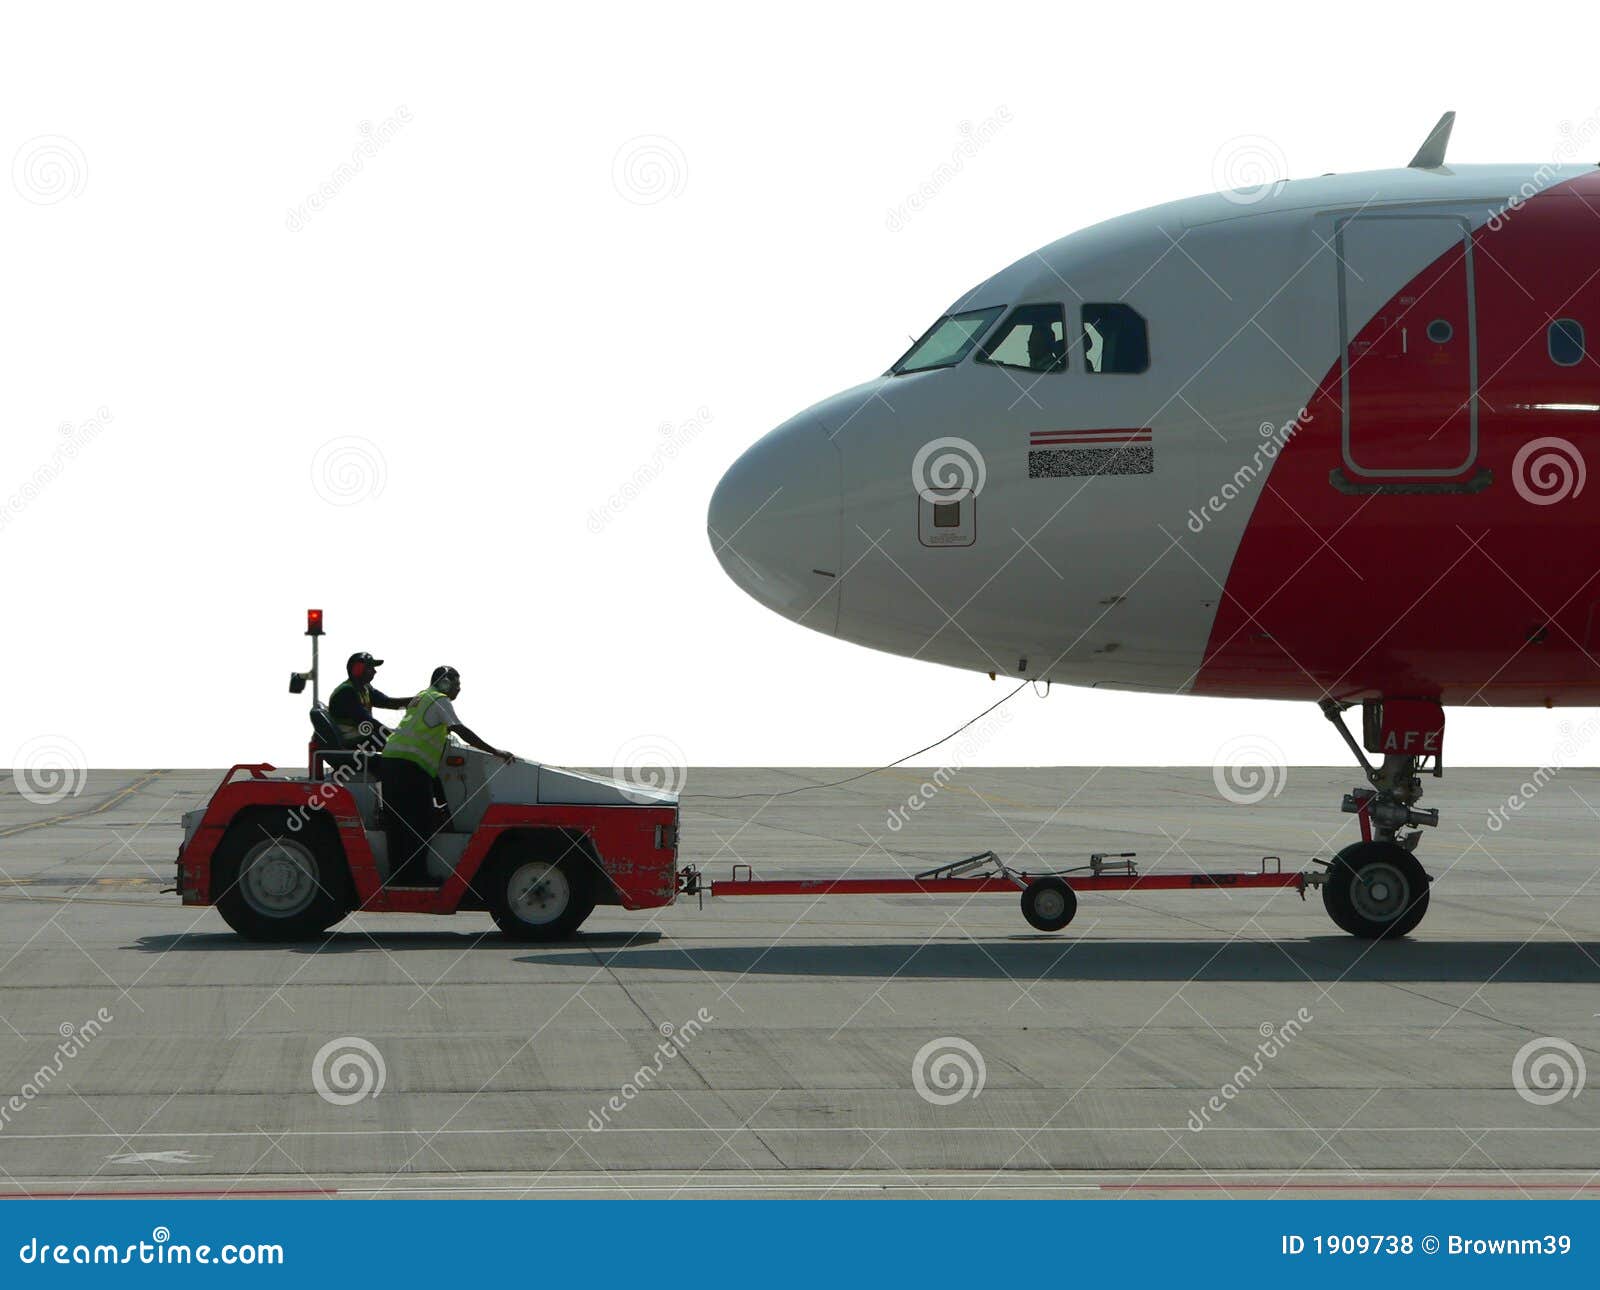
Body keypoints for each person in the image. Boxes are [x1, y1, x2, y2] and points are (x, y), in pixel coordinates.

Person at [378, 666, 515, 885]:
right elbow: (461, 729)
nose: (459, 689)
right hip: (412, 767)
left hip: (390, 761)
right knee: (421, 823)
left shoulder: (421, 698)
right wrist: (495, 751)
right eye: (456, 684)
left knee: (397, 824)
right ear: (444, 683)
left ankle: (397, 878)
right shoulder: (440, 700)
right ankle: (417, 878)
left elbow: (423, 727)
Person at [327, 652, 413, 755]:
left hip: (362, 735)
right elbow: (367, 722)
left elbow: (388, 702)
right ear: (358, 670)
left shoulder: (365, 688)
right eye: (370, 667)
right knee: (398, 747)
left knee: (398, 741)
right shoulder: (346, 693)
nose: (375, 671)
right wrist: (391, 734)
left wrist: (417, 700)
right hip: (352, 741)